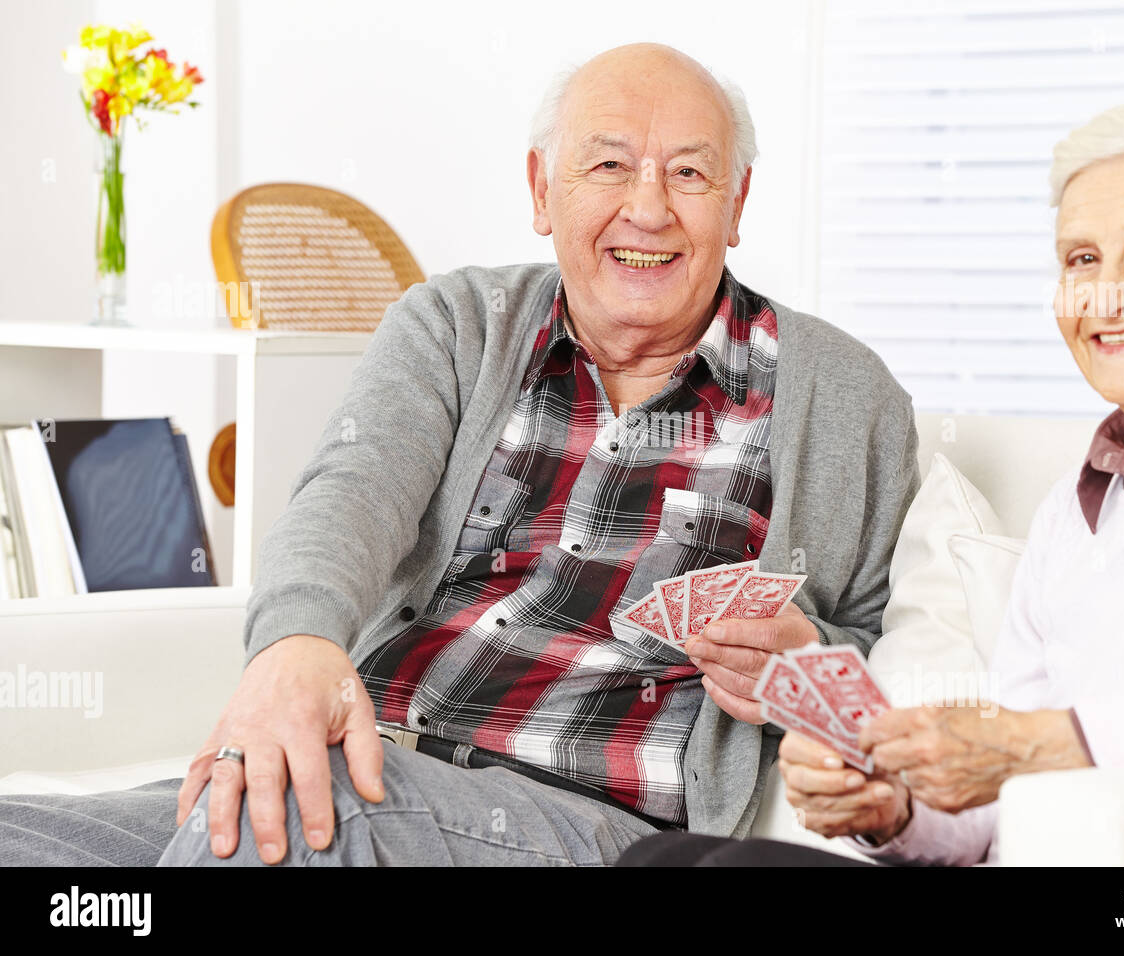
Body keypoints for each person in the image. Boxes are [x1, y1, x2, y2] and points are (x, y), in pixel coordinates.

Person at [0, 43, 918, 867]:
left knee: (318, 821)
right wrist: (295, 645)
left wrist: (804, 659)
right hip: (376, 749)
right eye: (608, 165)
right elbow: (348, 497)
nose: (649, 207)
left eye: (690, 173)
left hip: (581, 820)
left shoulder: (843, 396)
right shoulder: (456, 325)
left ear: (738, 202)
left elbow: (879, 651)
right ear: (539, 189)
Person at [620, 86, 1124, 867]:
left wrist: (1052, 742)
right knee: (660, 862)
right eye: (1083, 258)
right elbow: (1000, 803)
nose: (1109, 294)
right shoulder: (1081, 507)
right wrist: (894, 806)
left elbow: (1039, 751)